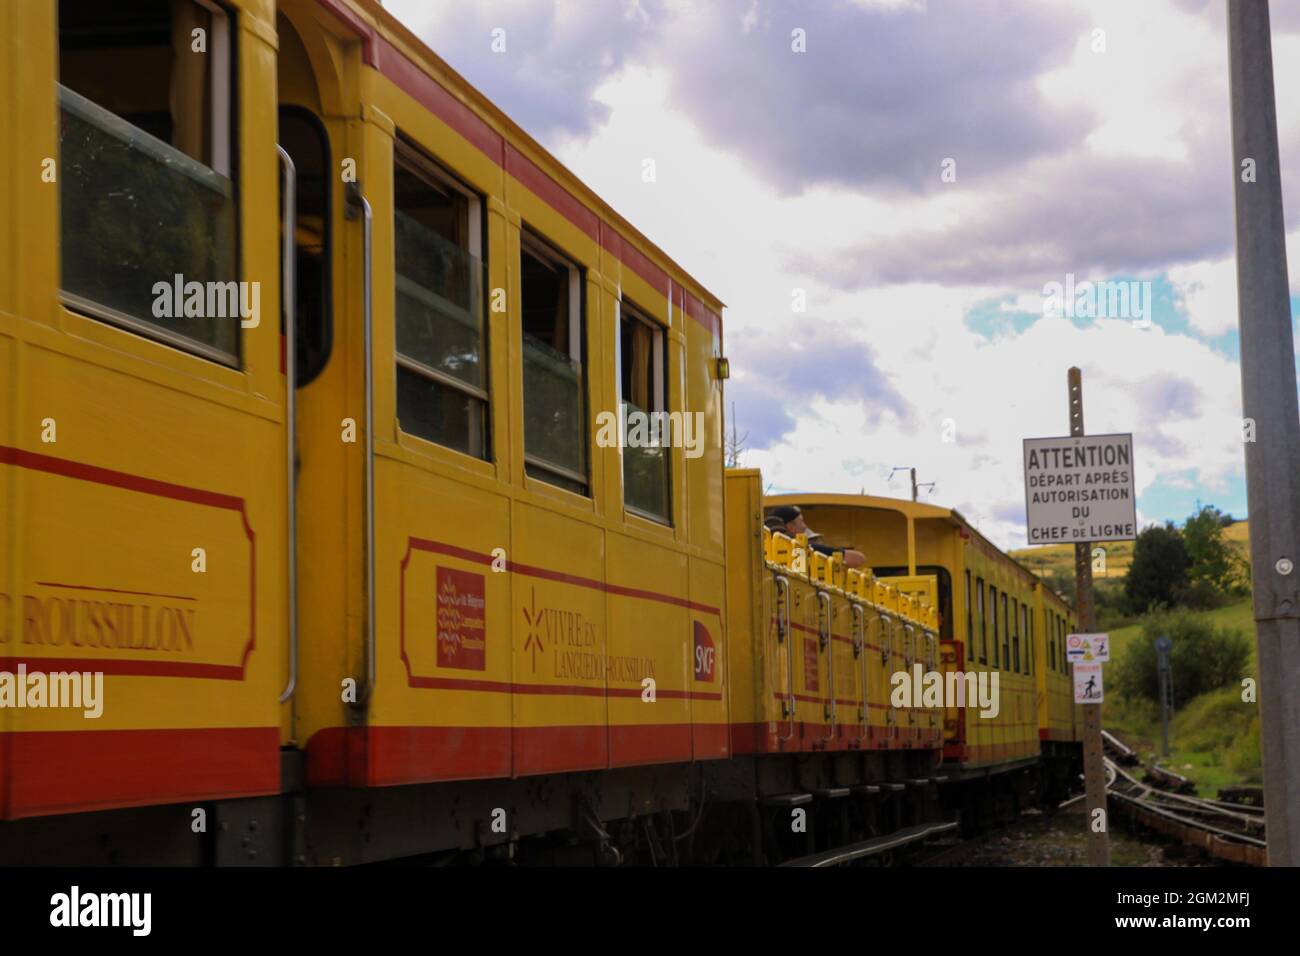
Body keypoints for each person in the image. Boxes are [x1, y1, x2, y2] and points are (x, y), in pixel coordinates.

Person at [765, 504, 866, 569]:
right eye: (801, 521)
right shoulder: (806, 548)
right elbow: (859, 559)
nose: (805, 526)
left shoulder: (764, 548)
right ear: (791, 527)